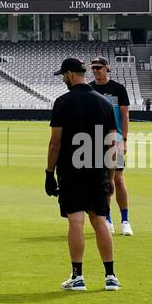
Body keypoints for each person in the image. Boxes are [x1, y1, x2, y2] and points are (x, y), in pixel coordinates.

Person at [45, 57, 120, 292]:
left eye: (63, 76)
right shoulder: (104, 103)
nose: (63, 80)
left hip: (71, 170)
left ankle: (77, 277)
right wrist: (110, 177)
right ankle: (110, 276)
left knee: (76, 221)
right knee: (99, 221)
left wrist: (49, 173)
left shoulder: (63, 102)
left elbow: (55, 143)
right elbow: (112, 144)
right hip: (97, 169)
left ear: (69, 74)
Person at [90, 57, 132, 235]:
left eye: (99, 67)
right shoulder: (89, 88)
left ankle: (125, 220)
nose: (96, 71)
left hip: (115, 138)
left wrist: (124, 139)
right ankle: (107, 219)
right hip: (92, 139)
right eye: (93, 68)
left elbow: (125, 115)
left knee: (118, 179)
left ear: (107, 68)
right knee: (101, 181)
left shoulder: (118, 88)